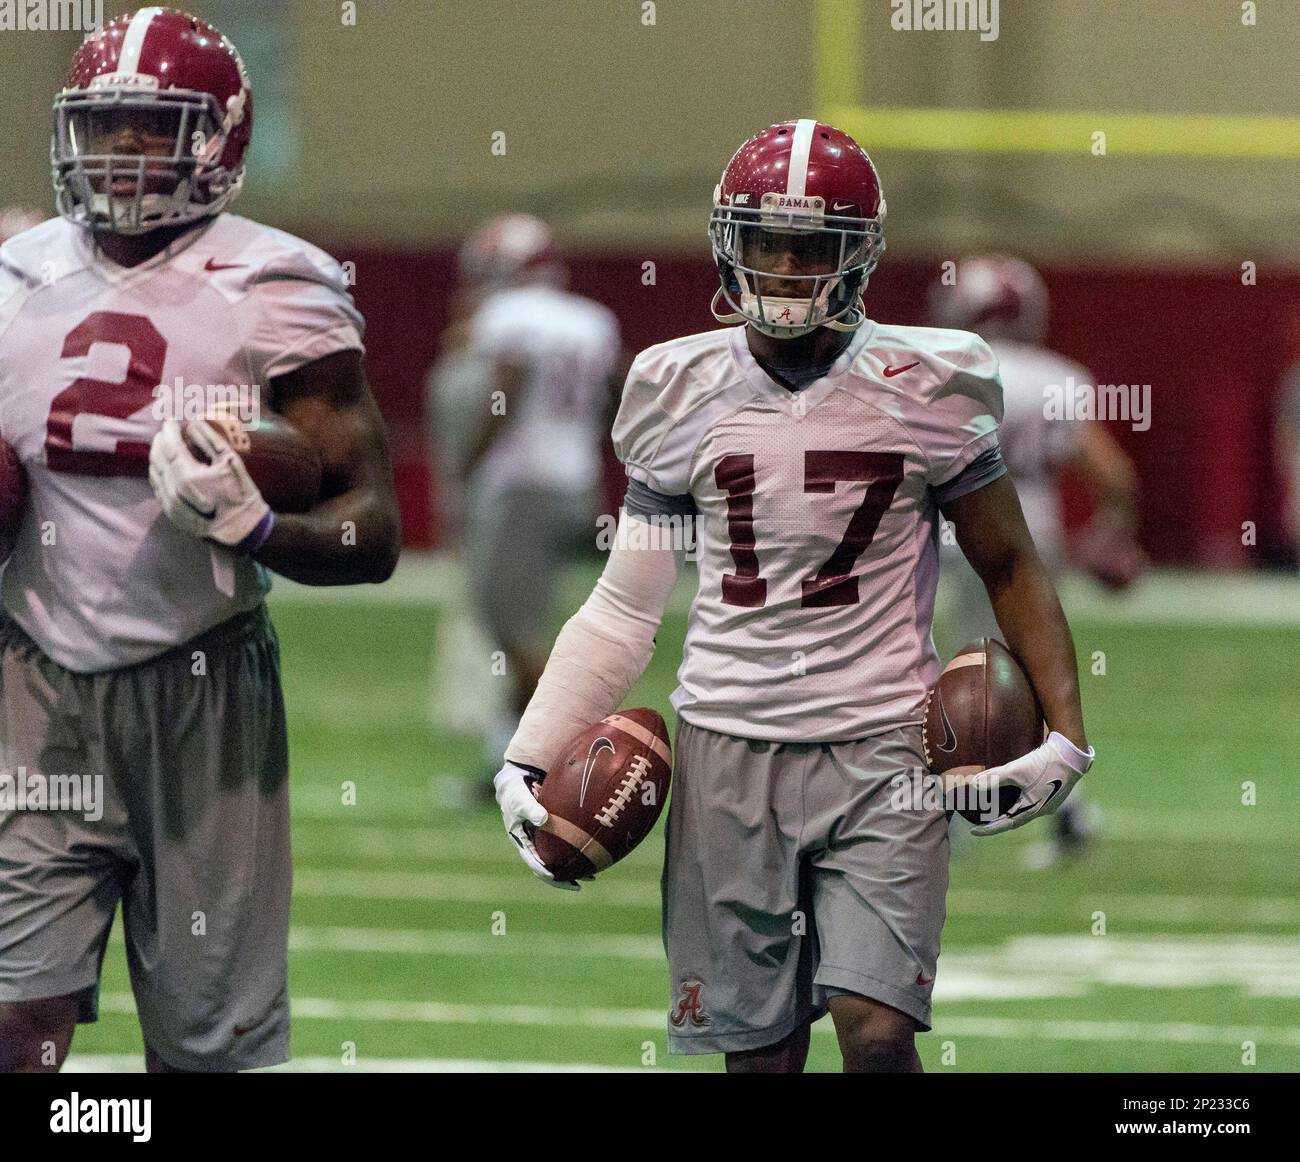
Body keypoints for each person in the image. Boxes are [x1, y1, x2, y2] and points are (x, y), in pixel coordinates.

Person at [492, 120, 1095, 1072]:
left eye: (810, 247)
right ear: (729, 243)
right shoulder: (677, 383)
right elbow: (625, 604)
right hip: (729, 745)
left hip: (885, 745)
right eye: (766, 241)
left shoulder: (929, 381)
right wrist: (530, 752)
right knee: (759, 1052)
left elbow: (1012, 564)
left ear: (858, 257)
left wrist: (1065, 732)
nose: (782, 267)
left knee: (877, 1029)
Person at [0, 7, 400, 1073]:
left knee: (208, 1052)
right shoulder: (14, 272)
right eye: (104, 126)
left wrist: (258, 524)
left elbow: (373, 531)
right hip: (34, 685)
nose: (122, 153)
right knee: (13, 1023)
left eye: (151, 127)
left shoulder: (282, 284)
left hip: (203, 687)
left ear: (221, 137)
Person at [928, 256, 1142, 866]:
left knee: (960, 664)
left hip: (957, 526)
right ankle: (1023, 802)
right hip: (1035, 528)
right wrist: (1105, 543)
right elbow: (1116, 477)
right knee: (1030, 666)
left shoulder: (943, 368)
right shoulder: (1055, 377)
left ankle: (966, 806)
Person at [440, 215, 621, 778]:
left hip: (521, 486)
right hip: (576, 485)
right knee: (529, 622)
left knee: (507, 625)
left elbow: (508, 390)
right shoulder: (594, 319)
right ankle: (508, 757)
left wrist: (465, 466)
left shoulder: (509, 316)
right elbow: (615, 406)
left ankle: (567, 750)